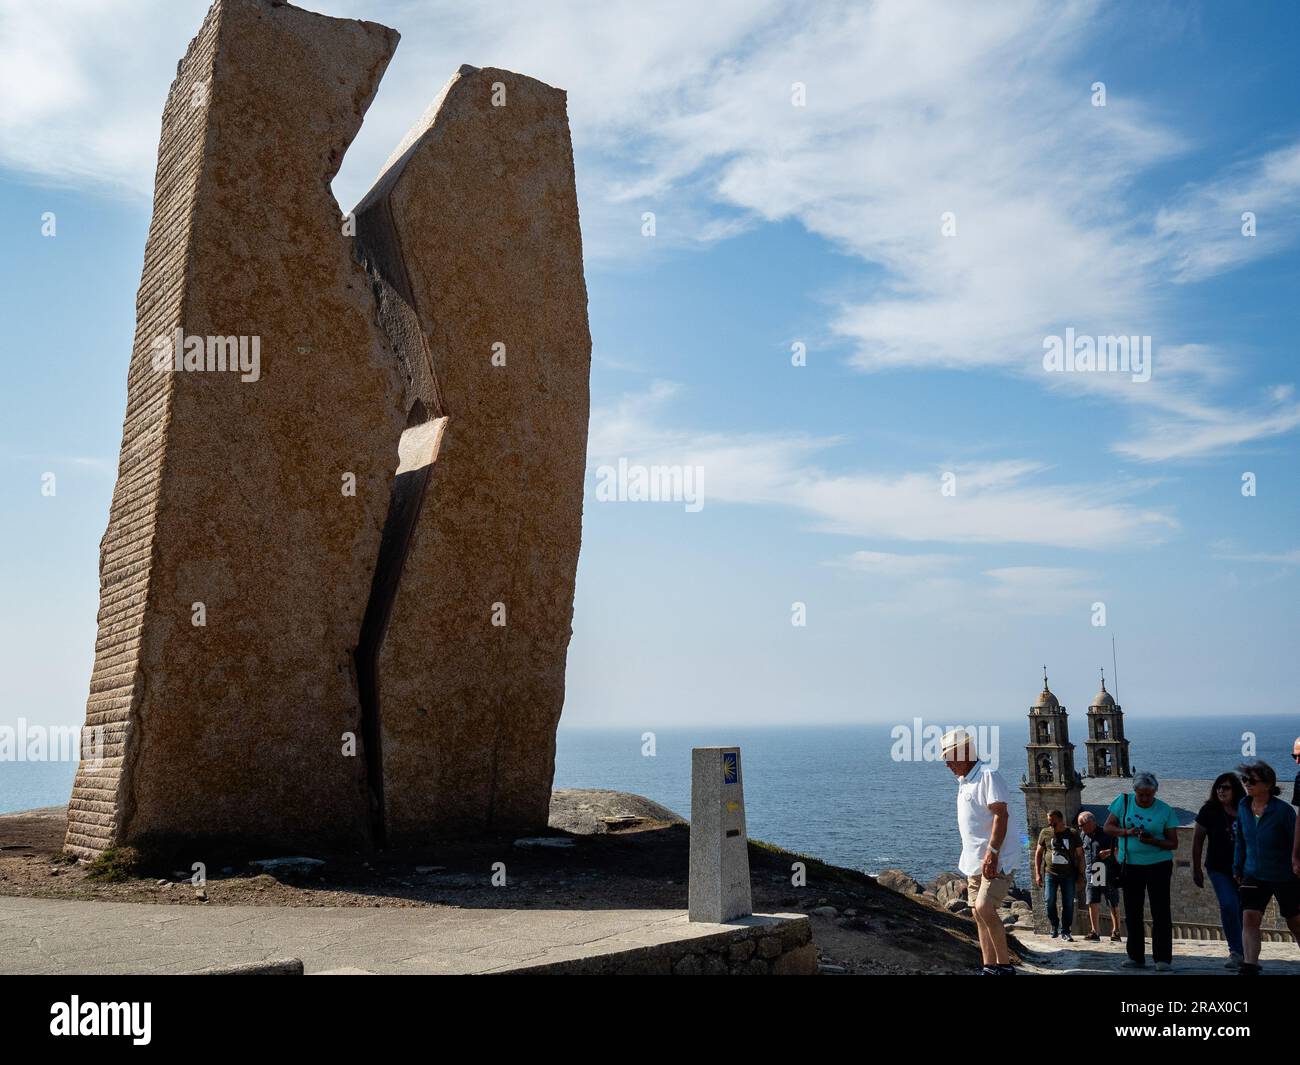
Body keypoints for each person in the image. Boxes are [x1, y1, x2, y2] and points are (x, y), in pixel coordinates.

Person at [941, 727, 1025, 975]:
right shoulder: (965, 781)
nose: (947, 765)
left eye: (949, 758)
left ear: (964, 754)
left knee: (985, 908)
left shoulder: (988, 775)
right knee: (978, 912)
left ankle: (1005, 966)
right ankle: (989, 967)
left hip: (996, 859)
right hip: (975, 861)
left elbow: (1001, 814)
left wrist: (992, 851)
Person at [1103, 770, 1179, 971]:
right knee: (1132, 910)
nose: (1145, 798)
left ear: (1155, 792)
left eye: (1149, 795)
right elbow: (1108, 827)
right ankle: (1135, 956)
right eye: (1141, 794)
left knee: (1161, 910)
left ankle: (1162, 959)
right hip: (1130, 864)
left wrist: (1152, 840)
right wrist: (1127, 832)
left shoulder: (1165, 810)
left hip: (1159, 865)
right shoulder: (1123, 802)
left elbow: (1173, 843)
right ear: (1135, 791)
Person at [1233, 760, 1300, 975]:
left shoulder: (1283, 812)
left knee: (1294, 921)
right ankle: (1250, 964)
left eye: (1252, 780)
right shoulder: (1243, 806)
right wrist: (1238, 867)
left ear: (1268, 784)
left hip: (1284, 875)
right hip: (1253, 873)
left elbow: (1296, 841)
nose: (1247, 784)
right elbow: (1240, 840)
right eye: (1244, 779)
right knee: (1249, 917)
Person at [1192, 773, 1245, 968]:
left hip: (1245, 869)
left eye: (1226, 787)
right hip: (1218, 868)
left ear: (1235, 790)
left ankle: (1246, 950)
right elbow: (1197, 839)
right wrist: (1196, 868)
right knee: (1229, 905)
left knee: (1243, 909)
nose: (1221, 790)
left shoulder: (1245, 809)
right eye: (1218, 787)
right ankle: (1236, 951)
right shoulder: (1209, 810)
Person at [1033, 810, 1083, 941]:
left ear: (1061, 820)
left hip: (1069, 874)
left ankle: (1066, 930)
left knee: (1068, 903)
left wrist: (1081, 875)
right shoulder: (1045, 833)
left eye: (1052, 821)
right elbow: (1038, 853)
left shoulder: (1072, 834)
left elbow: (1080, 855)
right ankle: (1054, 925)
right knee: (1049, 900)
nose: (1050, 824)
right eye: (1048, 821)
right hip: (1050, 874)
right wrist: (1037, 873)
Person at [1077, 810, 1121, 942]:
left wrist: (1106, 852)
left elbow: (1118, 849)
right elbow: (1082, 854)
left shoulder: (1106, 833)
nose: (1080, 828)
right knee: (1092, 900)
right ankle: (1095, 931)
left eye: (1081, 825)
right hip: (1091, 871)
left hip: (1105, 870)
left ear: (1091, 822)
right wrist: (1081, 872)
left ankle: (1116, 931)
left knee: (1111, 900)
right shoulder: (1083, 834)